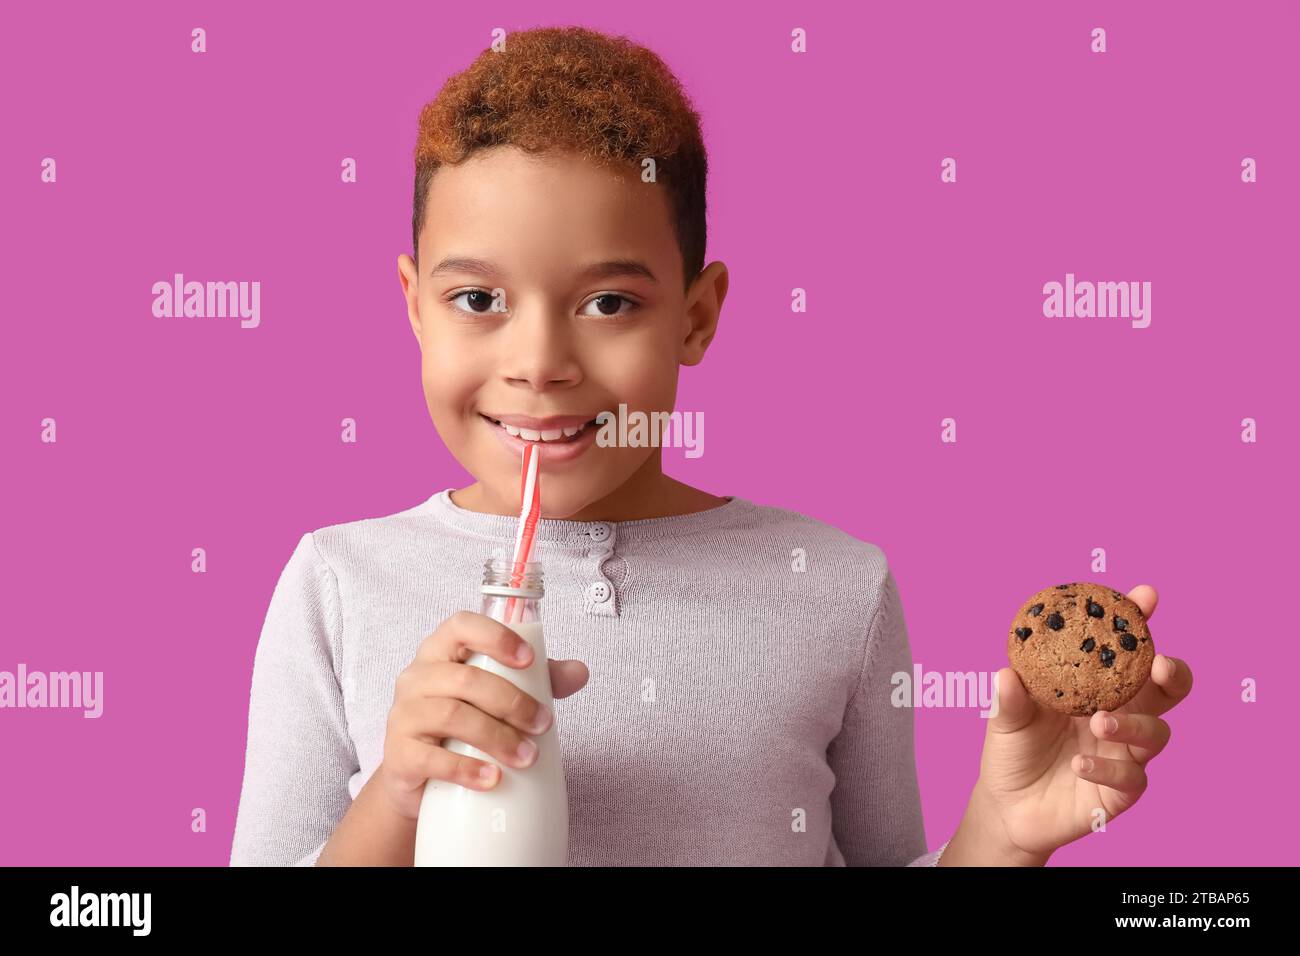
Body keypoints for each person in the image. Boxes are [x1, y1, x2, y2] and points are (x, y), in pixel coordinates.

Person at [230, 25, 1192, 867]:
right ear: (413, 306)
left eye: (609, 302)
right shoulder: (339, 586)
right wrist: (395, 797)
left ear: (696, 317)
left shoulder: (833, 589)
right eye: (478, 300)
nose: (539, 363)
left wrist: (1003, 833)